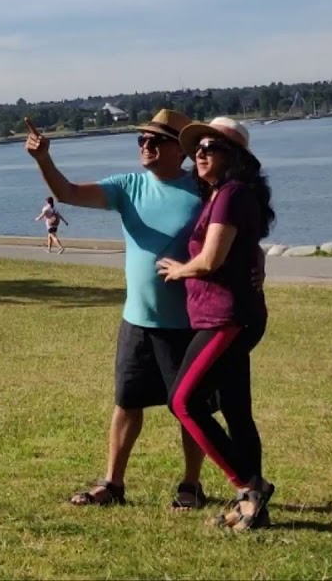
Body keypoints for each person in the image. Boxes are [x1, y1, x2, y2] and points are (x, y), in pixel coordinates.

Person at [25, 110, 210, 510]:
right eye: (142, 139)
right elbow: (70, 192)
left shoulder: (204, 190)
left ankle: (191, 485)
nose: (145, 146)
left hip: (187, 323)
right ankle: (113, 484)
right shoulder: (129, 186)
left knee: (190, 410)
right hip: (137, 319)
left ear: (180, 149)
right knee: (127, 403)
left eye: (155, 140)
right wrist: (43, 160)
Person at [156, 117, 275, 531]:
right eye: (198, 147)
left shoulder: (230, 194)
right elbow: (245, 247)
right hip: (231, 315)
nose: (200, 153)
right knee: (237, 410)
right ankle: (253, 507)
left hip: (226, 318)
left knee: (184, 401)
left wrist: (179, 270)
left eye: (212, 146)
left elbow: (211, 260)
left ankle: (248, 487)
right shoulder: (224, 194)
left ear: (235, 157)